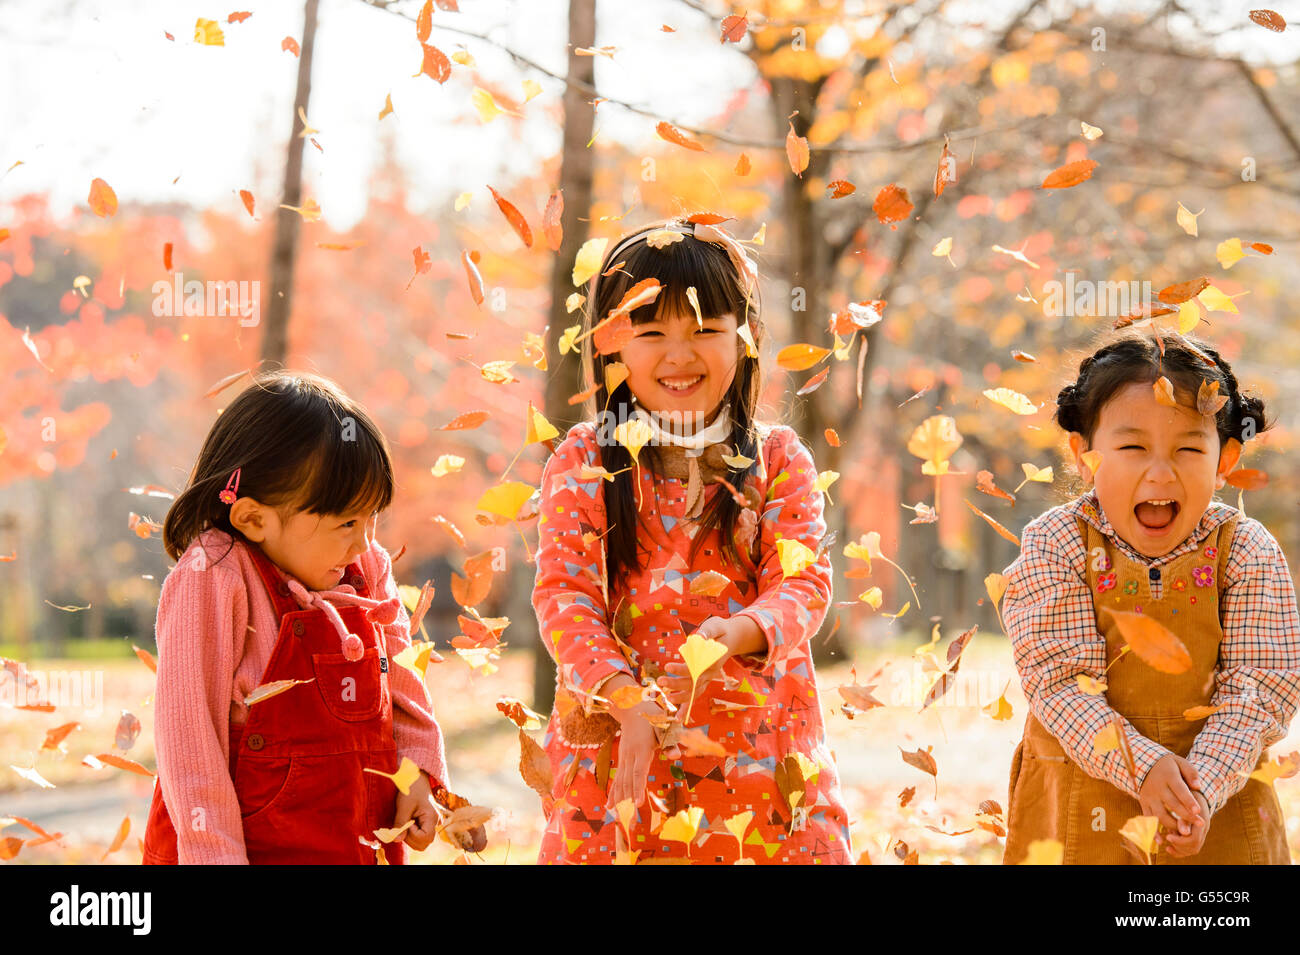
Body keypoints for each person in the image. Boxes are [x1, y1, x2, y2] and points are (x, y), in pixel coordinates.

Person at [532, 217, 853, 864]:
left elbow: (803, 582)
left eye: (705, 330)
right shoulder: (586, 462)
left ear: (749, 338)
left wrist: (731, 634)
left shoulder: (778, 461)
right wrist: (625, 700)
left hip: (757, 748)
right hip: (620, 748)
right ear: (611, 346)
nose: (679, 355)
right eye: (651, 333)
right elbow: (565, 596)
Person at [142, 370, 471, 864]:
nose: (364, 541)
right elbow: (191, 746)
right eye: (346, 523)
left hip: (352, 845)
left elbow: (402, 691)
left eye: (372, 517)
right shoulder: (212, 576)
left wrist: (415, 777)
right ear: (254, 518)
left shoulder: (363, 565)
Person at [1002, 332, 1300, 864]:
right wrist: (1142, 767)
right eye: (1133, 447)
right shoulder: (1059, 542)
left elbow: (1260, 688)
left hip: (1218, 807)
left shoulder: (1245, 550)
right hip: (1080, 806)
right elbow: (1059, 683)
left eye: (1188, 448)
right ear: (1084, 456)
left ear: (1225, 458)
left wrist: (1197, 791)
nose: (1160, 473)